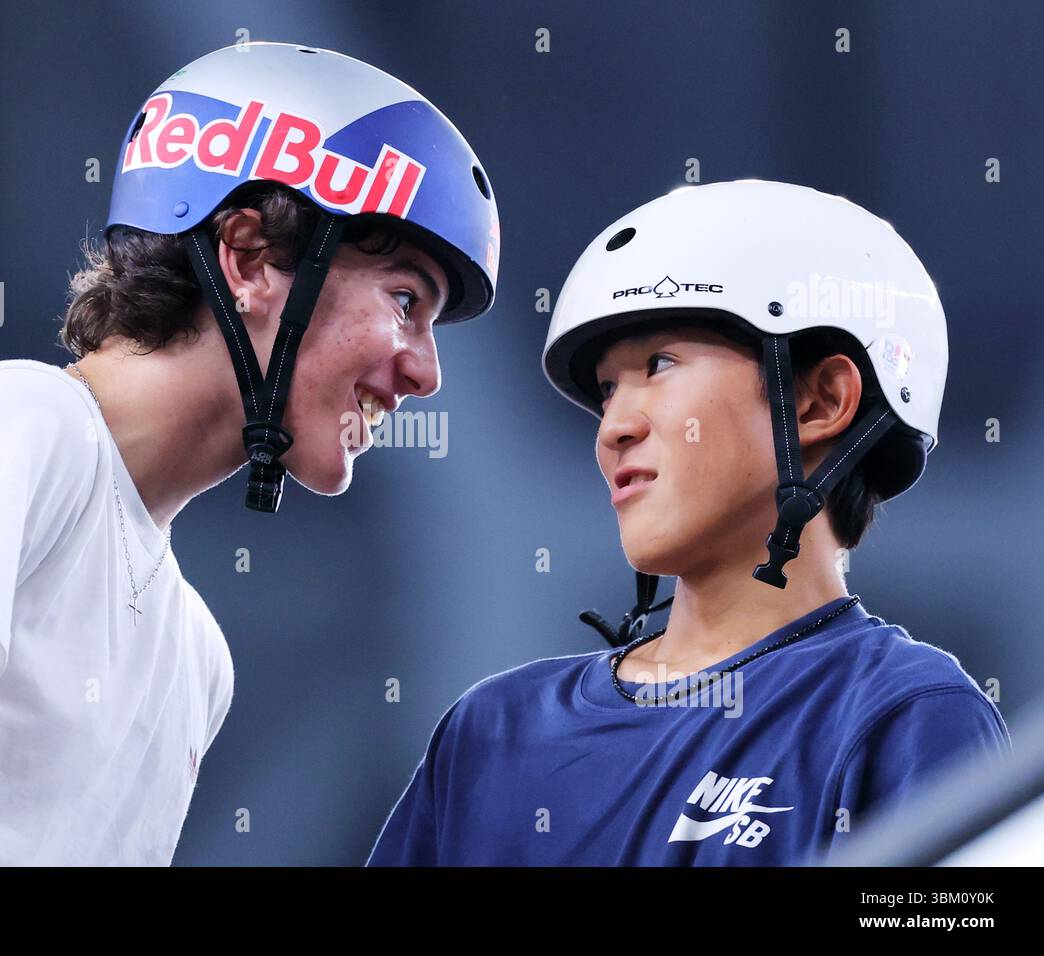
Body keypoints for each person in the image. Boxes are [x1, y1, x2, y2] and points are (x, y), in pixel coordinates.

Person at [0, 41, 500, 866]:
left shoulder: (197, 654)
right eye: (404, 300)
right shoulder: (27, 428)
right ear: (248, 256)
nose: (425, 372)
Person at [367, 179, 1009, 866]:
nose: (614, 426)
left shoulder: (909, 718)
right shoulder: (491, 728)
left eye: (660, 364)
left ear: (823, 402)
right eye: (609, 389)